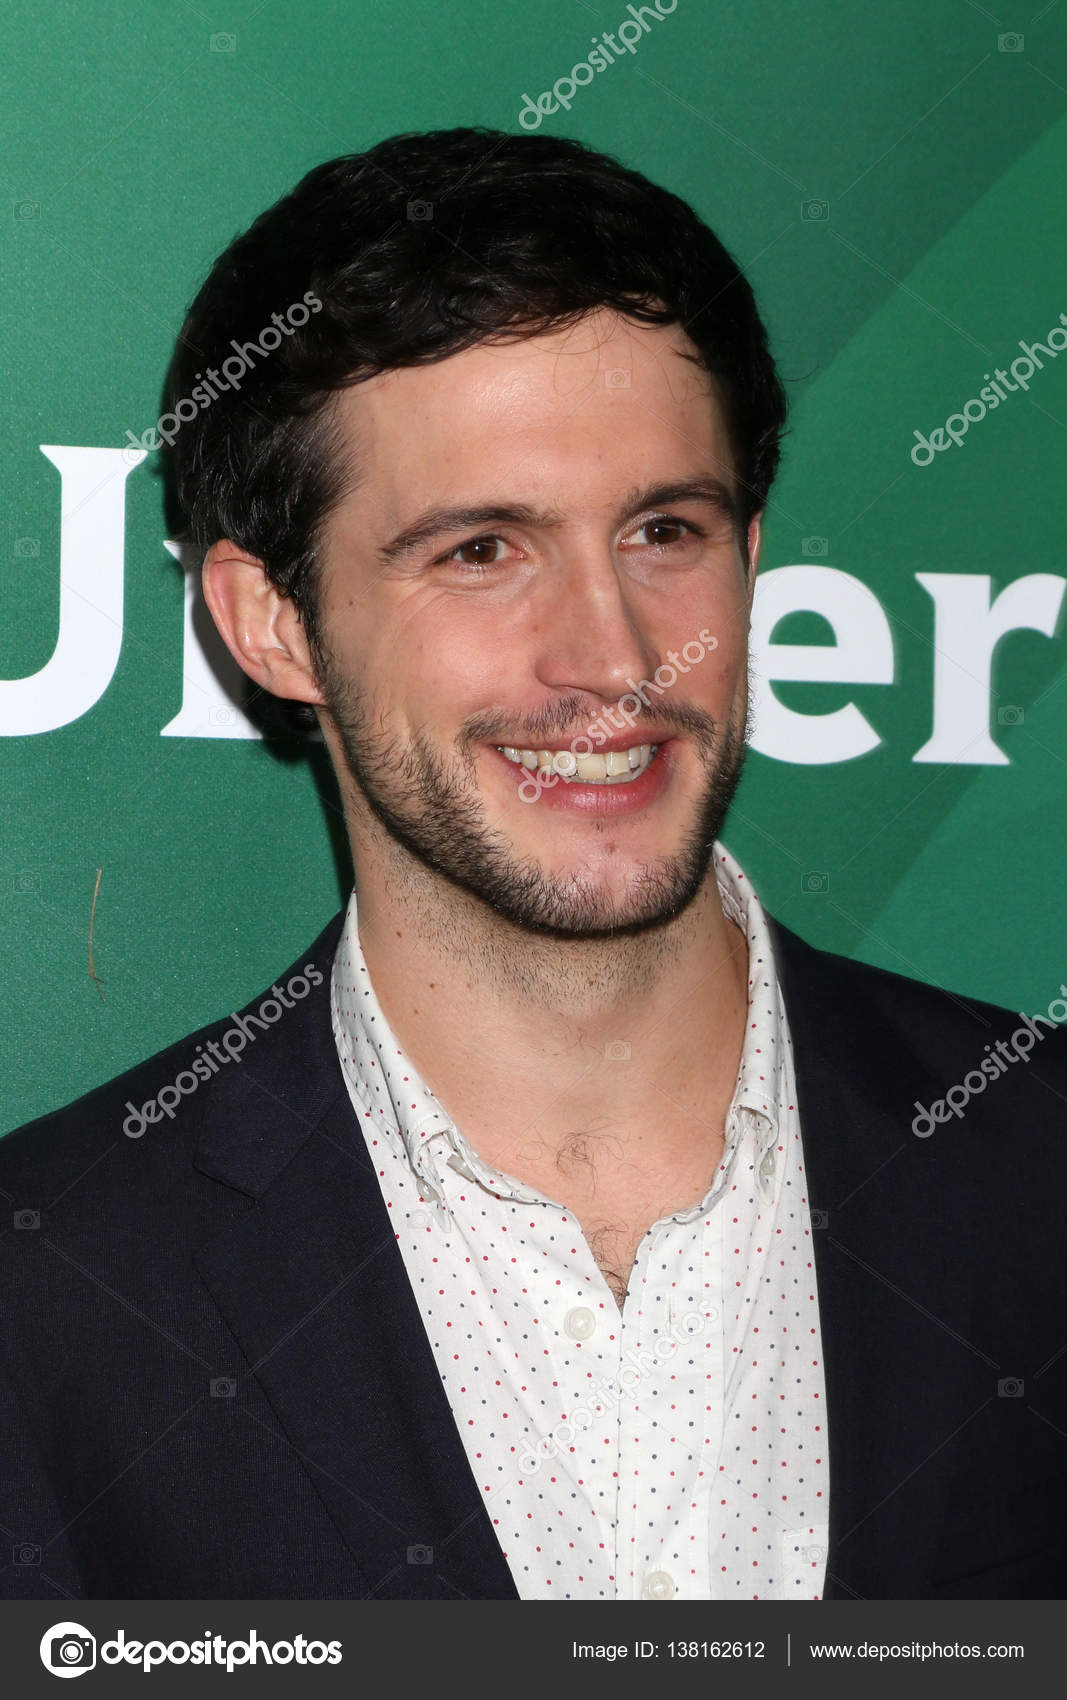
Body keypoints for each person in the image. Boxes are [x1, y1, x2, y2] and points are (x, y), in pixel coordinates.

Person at [2, 127, 1065, 1604]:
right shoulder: (54, 1296)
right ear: (273, 623)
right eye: (482, 551)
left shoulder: (1034, 1165)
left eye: (664, 532)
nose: (618, 656)